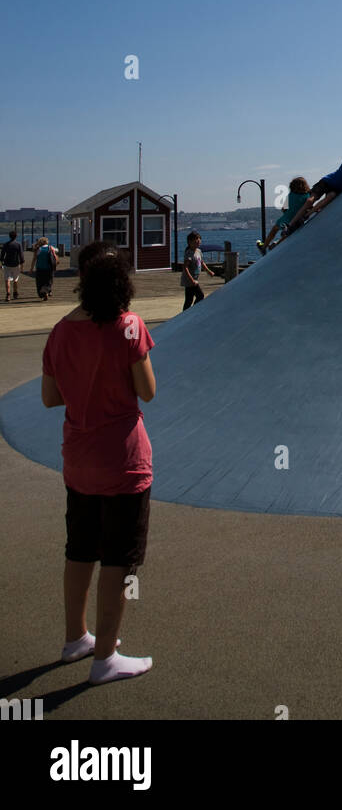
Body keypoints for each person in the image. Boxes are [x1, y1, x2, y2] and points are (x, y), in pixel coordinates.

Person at [41, 240, 155, 684]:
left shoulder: (61, 331)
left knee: (80, 550)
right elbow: (147, 390)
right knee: (119, 562)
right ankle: (105, 659)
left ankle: (76, 638)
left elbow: (51, 398)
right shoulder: (130, 328)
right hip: (124, 462)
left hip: (78, 458)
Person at [257, 177, 312, 254]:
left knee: (274, 230)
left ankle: (264, 246)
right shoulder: (308, 196)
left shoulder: (291, 195)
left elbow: (284, 208)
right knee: (287, 234)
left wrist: (287, 212)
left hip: (286, 217)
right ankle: (276, 244)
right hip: (297, 220)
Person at [181, 230, 215, 310]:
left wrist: (208, 271)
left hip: (194, 279)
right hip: (189, 280)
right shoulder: (189, 253)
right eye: (196, 239)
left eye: (199, 239)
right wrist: (191, 280)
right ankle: (190, 312)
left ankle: (186, 313)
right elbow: (185, 267)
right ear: (190, 242)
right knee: (200, 296)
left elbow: (202, 262)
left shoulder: (198, 251)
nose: (198, 241)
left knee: (189, 299)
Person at [31, 236, 58, 300]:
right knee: (49, 281)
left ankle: (43, 294)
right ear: (47, 242)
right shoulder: (50, 247)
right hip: (49, 268)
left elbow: (34, 259)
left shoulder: (38, 249)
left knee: (40, 282)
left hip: (40, 268)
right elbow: (57, 250)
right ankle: (46, 291)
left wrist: (31, 268)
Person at [2, 231, 26, 301]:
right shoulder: (18, 244)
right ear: (16, 236)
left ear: (9, 236)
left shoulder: (6, 244)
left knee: (7, 280)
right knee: (15, 280)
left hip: (7, 264)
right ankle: (15, 293)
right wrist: (22, 265)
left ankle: (8, 295)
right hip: (16, 264)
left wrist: (1, 263)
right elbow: (21, 256)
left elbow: (2, 254)